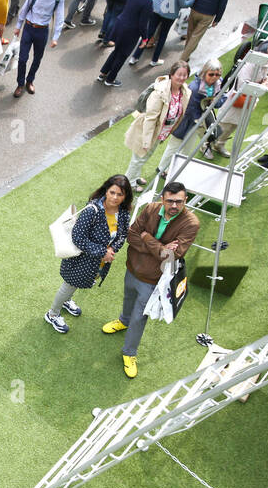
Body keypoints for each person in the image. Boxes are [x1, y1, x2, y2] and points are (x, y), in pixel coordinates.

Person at [102, 181, 200, 378]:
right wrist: (160, 248)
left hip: (154, 279)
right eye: (170, 201)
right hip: (132, 267)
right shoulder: (151, 208)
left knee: (140, 316)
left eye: (179, 202)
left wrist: (146, 238)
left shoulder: (191, 223)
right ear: (162, 199)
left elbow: (172, 256)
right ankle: (123, 321)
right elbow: (131, 235)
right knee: (128, 299)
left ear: (185, 200)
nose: (174, 206)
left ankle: (130, 353)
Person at [45, 175, 134, 334]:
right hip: (81, 260)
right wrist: (102, 252)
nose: (115, 197)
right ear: (106, 190)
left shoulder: (124, 213)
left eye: (120, 194)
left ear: (125, 196)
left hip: (99, 262)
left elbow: (122, 235)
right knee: (69, 285)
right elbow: (78, 237)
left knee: (76, 284)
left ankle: (66, 302)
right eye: (112, 192)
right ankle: (52, 314)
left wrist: (112, 250)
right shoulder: (92, 210)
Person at [124, 62, 192, 189]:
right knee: (139, 158)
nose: (182, 78)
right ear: (172, 74)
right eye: (179, 74)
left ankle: (135, 177)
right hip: (148, 131)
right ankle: (129, 183)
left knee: (144, 157)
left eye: (185, 75)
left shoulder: (184, 91)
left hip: (160, 132)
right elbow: (151, 118)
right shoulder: (160, 91)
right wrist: (146, 140)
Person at [98, 0, 162, 86]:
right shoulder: (147, 2)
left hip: (120, 26)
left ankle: (103, 73)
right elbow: (143, 24)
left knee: (116, 51)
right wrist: (145, 38)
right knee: (122, 56)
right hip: (131, 32)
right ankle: (110, 80)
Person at [10, 0, 65, 98]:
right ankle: (20, 83)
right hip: (29, 28)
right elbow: (25, 7)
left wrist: (55, 37)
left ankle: (30, 81)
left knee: (37, 58)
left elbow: (60, 17)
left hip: (42, 31)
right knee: (23, 58)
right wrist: (18, 26)